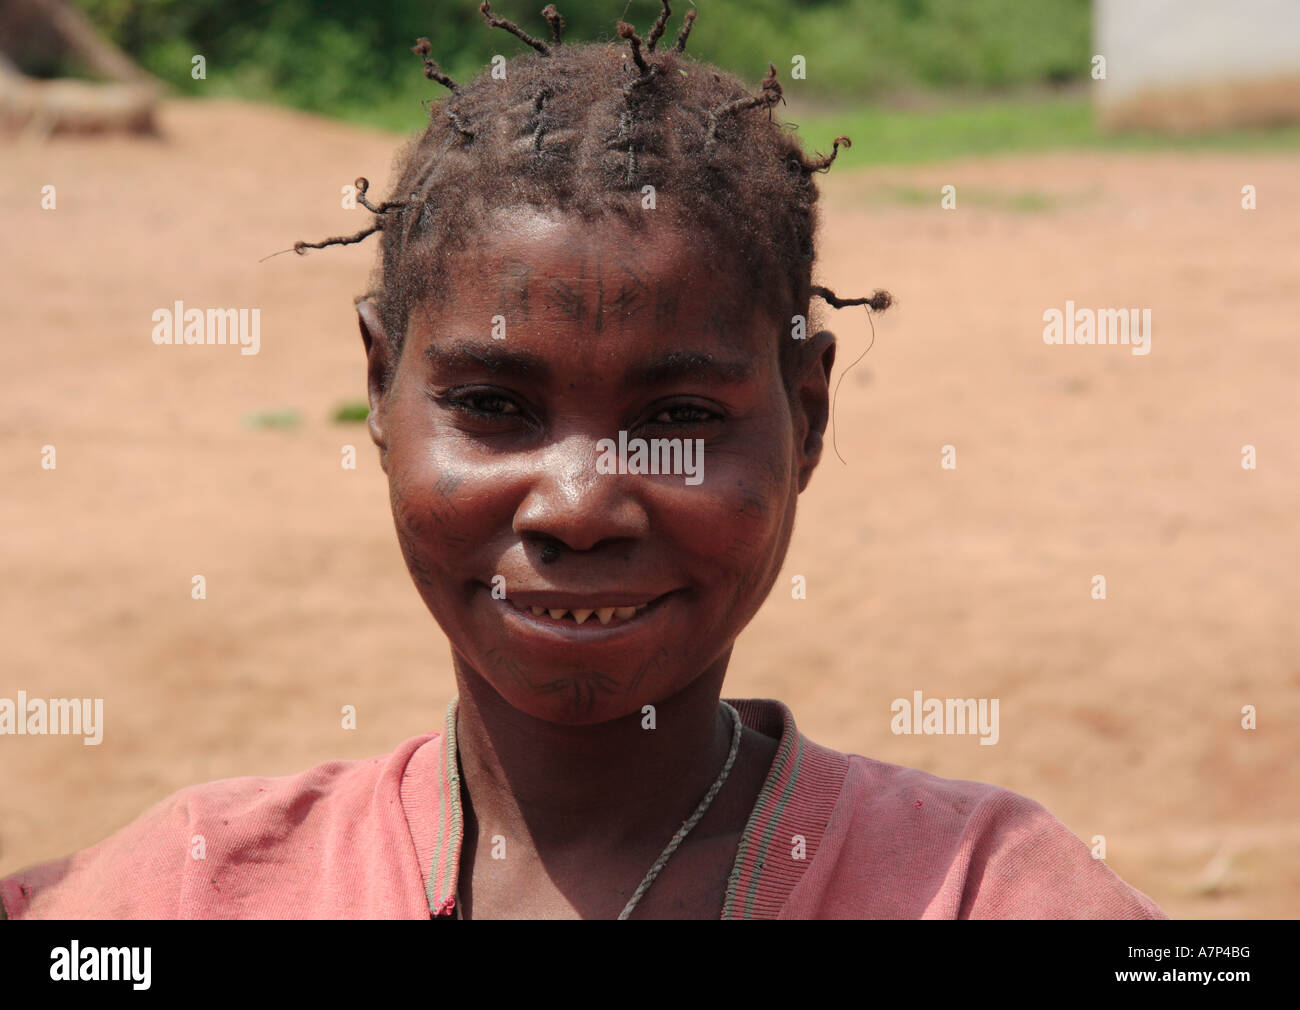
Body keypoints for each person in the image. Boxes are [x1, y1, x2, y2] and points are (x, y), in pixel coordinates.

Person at [1, 1, 1164, 920]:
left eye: (682, 415)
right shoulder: (198, 885)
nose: (578, 505)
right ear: (377, 389)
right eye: (495, 404)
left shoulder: (983, 889)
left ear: (805, 415)